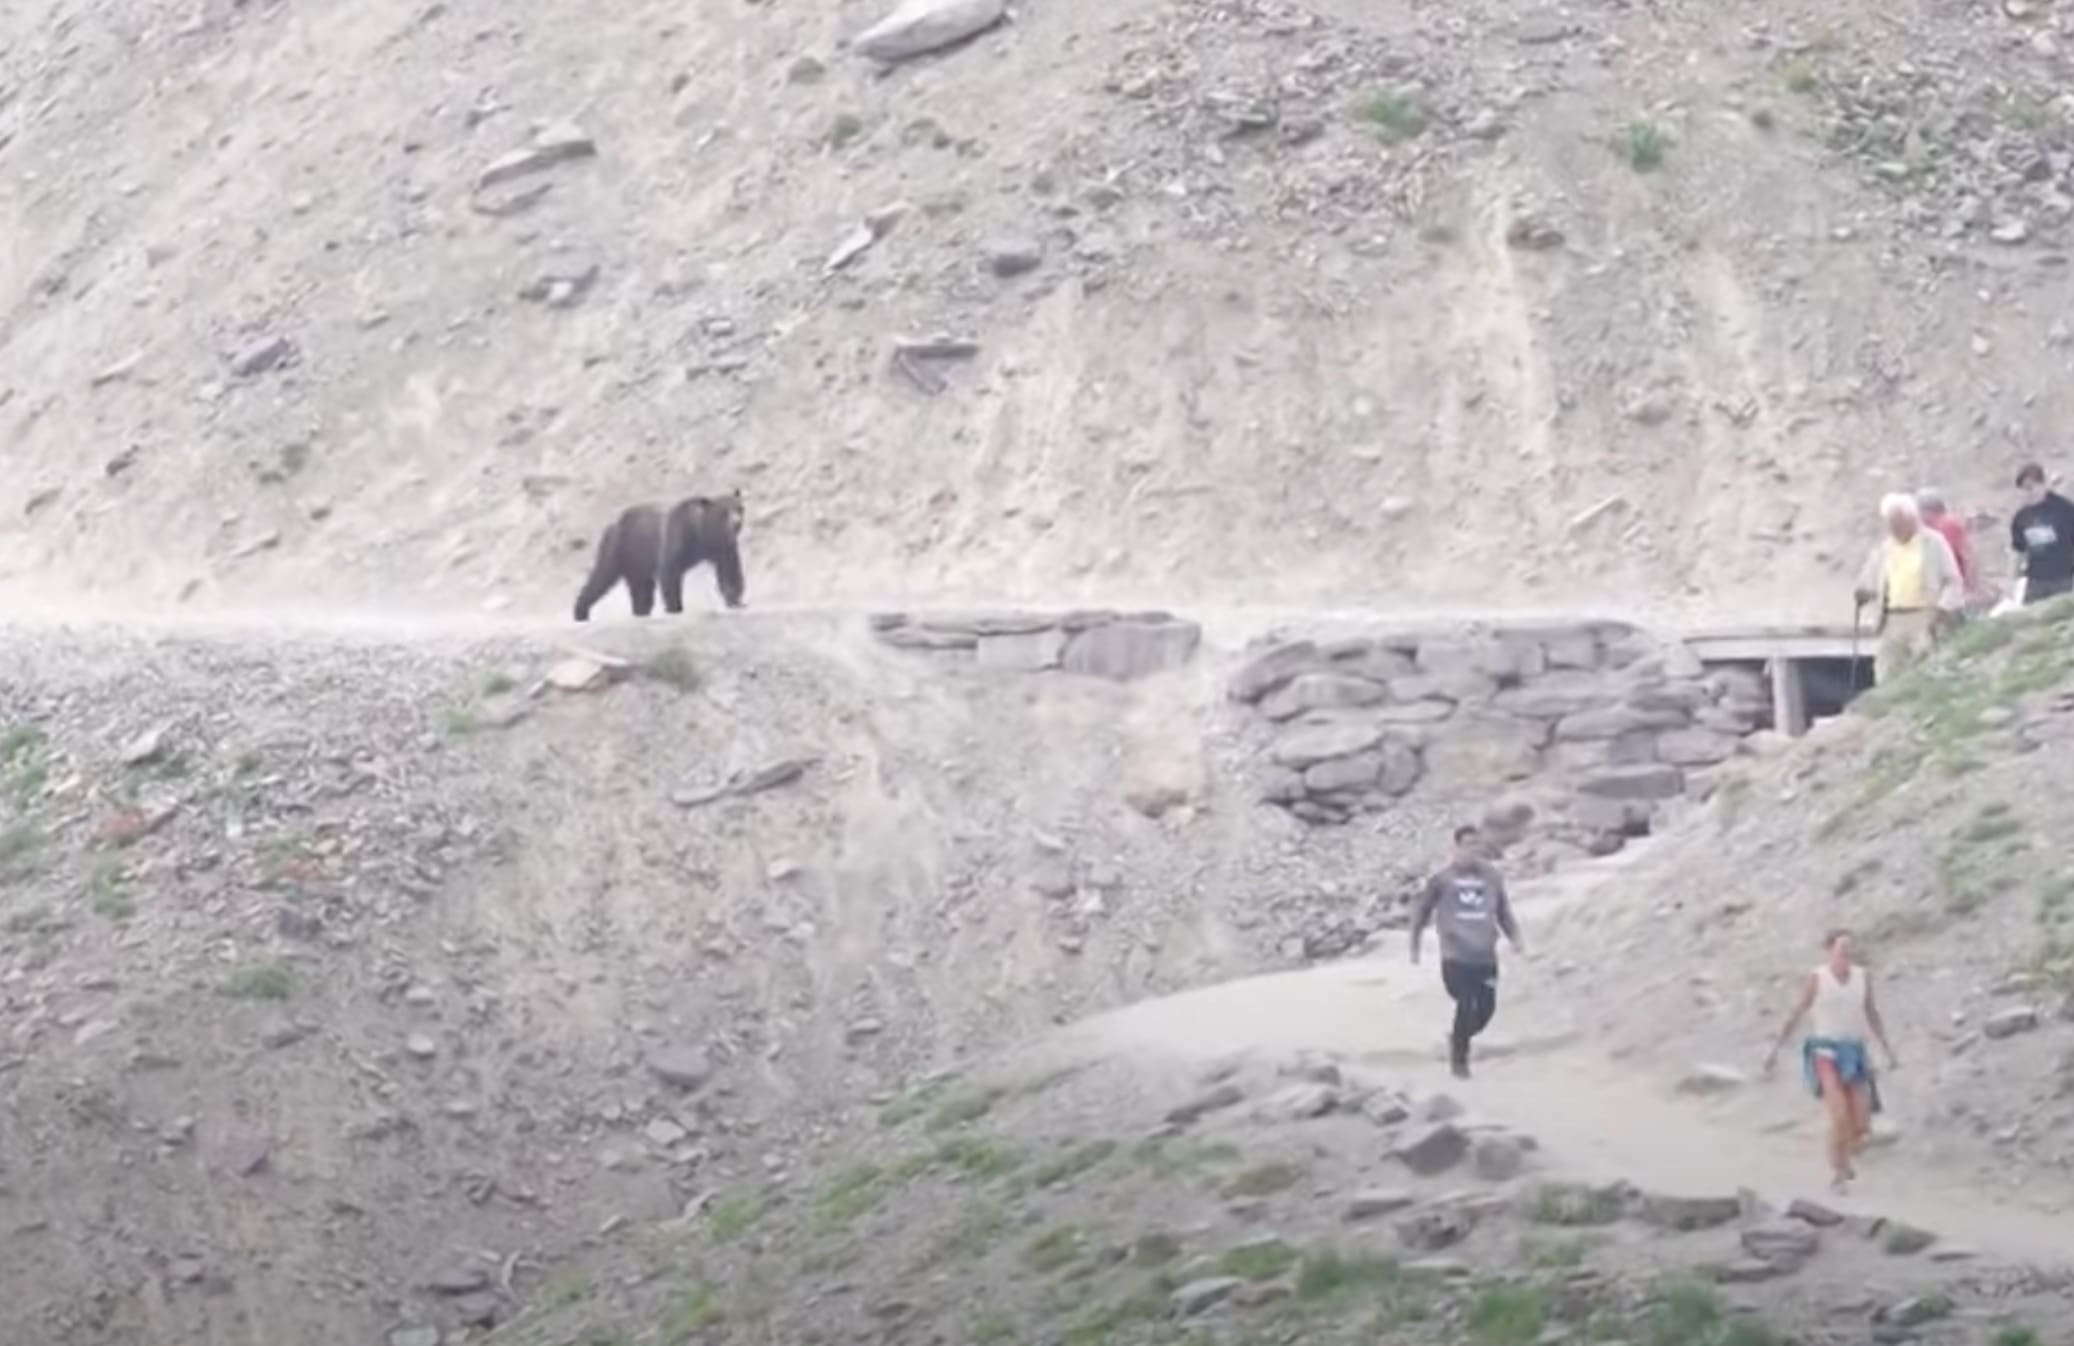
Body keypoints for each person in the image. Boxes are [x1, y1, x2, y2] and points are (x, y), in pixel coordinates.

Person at [1763, 929, 1900, 1194]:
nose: (1846, 953)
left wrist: (1887, 1050)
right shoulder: (1818, 978)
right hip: (1825, 1052)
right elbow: (1798, 1012)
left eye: (1850, 948)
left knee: (1860, 1122)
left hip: (1855, 1052)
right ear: (1830, 950)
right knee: (1839, 1116)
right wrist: (1775, 1049)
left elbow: (1871, 1013)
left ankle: (1844, 1154)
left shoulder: (1862, 977)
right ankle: (1838, 1172)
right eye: (1841, 948)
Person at [1409, 825, 1524, 1079]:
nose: (1474, 849)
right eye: (1468, 844)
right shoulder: (1442, 880)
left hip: (1485, 953)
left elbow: (1503, 911)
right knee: (1465, 1002)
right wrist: (1414, 946)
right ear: (1456, 848)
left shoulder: (1492, 878)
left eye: (1477, 844)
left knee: (1486, 1010)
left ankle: (1458, 1037)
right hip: (1455, 955)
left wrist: (1515, 937)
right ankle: (1459, 1061)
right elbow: (1421, 912)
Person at [1852, 493, 1964, 683]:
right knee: (1886, 670)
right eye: (1891, 524)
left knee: (1922, 668)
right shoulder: (1885, 547)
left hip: (1924, 615)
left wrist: (1943, 610)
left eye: (1898, 523)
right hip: (1891, 618)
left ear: (1912, 520)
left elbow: (1953, 581)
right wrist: (1863, 593)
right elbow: (1868, 581)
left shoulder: (1933, 543)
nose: (1894, 529)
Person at [2010, 462, 2074, 607]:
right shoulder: (2021, 517)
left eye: (2031, 487)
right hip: (2036, 580)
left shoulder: (2065, 509)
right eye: (2024, 489)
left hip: (2063, 579)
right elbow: (2017, 551)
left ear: (2043, 484)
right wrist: (2011, 581)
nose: (2028, 493)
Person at [1915, 488, 1981, 612]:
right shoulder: (1926, 532)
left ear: (1927, 510)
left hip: (1954, 592)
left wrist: (1970, 589)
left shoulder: (1948, 525)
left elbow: (1968, 556)